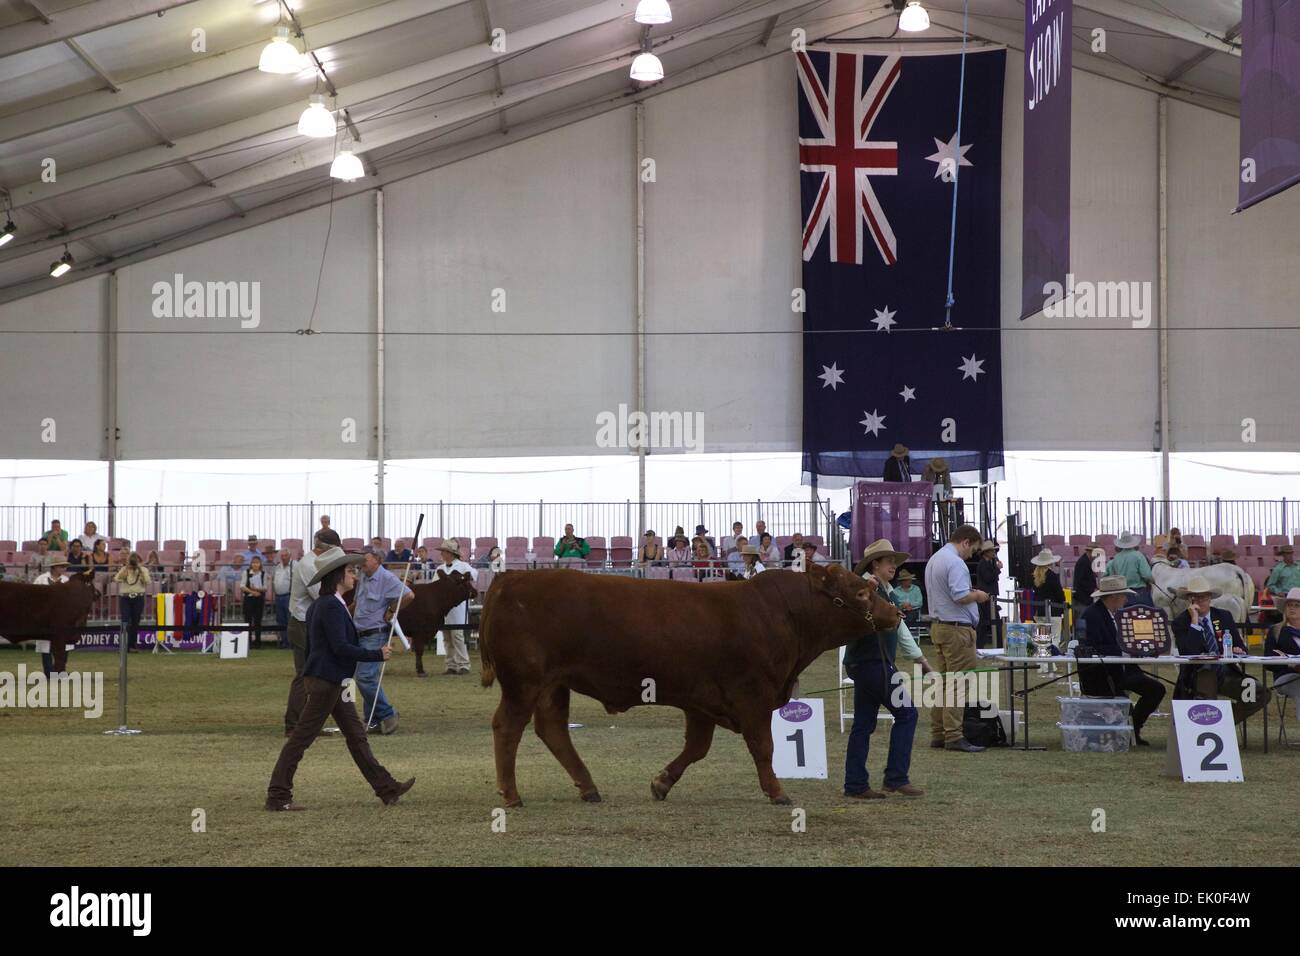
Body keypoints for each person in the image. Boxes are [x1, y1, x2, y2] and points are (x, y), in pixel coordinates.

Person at [265, 548, 415, 812]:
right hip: (328, 682)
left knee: (356, 735)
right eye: (349, 571)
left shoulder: (326, 605)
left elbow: (318, 649)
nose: (354, 576)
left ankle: (386, 788)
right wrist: (376, 654)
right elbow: (340, 647)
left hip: (334, 681)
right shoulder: (331, 606)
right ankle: (278, 795)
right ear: (337, 576)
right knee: (301, 739)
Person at [843, 538, 929, 799]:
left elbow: (900, 630)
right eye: (889, 561)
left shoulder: (887, 590)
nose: (894, 565)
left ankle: (855, 784)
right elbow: (852, 604)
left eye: (894, 561)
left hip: (869, 664)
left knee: (863, 724)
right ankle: (895, 777)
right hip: (872, 663)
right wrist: (865, 589)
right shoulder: (865, 588)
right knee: (907, 714)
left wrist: (921, 660)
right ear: (875, 564)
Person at [1077, 576, 1166, 746]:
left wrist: (1140, 650)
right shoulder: (1092, 615)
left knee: (1156, 689)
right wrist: (1126, 652)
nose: (1126, 599)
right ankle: (1131, 730)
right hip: (1104, 673)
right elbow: (1091, 647)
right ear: (1113, 597)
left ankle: (1134, 728)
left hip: (1123, 669)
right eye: (1124, 595)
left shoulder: (1117, 614)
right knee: (1141, 695)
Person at [923, 524, 989, 752]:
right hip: (957, 631)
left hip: (940, 627)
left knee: (942, 683)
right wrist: (979, 595)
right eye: (973, 549)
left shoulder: (935, 559)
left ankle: (939, 733)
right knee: (958, 683)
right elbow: (960, 595)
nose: (971, 555)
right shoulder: (955, 562)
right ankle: (954, 735)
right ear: (966, 542)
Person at [1172, 575, 1269, 724]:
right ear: (1189, 600)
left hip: (1227, 672)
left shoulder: (1223, 616)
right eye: (1195, 598)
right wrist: (1195, 622)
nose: (1200, 601)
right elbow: (1188, 652)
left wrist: (1238, 650)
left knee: (1261, 693)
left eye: (1203, 597)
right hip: (1196, 675)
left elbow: (1242, 647)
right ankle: (1211, 723)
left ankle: (1223, 722)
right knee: (1207, 677)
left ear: (1210, 598)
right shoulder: (1181, 622)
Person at [284, 529, 339, 736]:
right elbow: (320, 595)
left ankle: (305, 724)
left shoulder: (311, 563)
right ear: (325, 549)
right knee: (304, 675)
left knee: (312, 675)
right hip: (301, 624)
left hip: (306, 623)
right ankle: (294, 725)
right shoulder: (308, 565)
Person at [352, 549, 414, 727]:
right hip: (360, 633)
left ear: (377, 560)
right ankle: (372, 720)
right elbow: (357, 603)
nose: (362, 562)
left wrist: (392, 610)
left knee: (365, 677)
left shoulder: (387, 578)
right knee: (369, 678)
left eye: (366, 559)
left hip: (375, 634)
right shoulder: (363, 576)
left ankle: (388, 714)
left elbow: (409, 595)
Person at [432, 539, 476, 676]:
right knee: (446, 636)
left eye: (444, 551)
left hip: (458, 607)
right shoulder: (440, 569)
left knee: (457, 635)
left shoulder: (463, 566)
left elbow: (474, 575)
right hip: (443, 607)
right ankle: (450, 664)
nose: (442, 554)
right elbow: (434, 586)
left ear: (450, 553)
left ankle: (464, 664)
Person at [32, 555, 71, 676]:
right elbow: (33, 595)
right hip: (46, 616)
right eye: (61, 566)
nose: (64, 568)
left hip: (62, 616)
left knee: (64, 644)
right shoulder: (41, 579)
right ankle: (48, 672)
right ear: (54, 567)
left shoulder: (66, 580)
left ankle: (60, 670)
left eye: (64, 566)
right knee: (45, 644)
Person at [1265, 588, 1300, 715]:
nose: (1292, 608)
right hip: (1285, 677)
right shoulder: (1275, 631)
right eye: (1289, 605)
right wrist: (1290, 664)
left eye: (1297, 605)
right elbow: (1268, 662)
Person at [114, 553, 151, 652]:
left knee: (135, 622)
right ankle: (123, 646)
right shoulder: (124, 569)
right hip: (125, 598)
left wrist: (140, 571)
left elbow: (148, 581)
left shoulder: (143, 570)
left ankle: (132, 646)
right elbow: (116, 579)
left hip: (138, 597)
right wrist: (125, 571)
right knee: (125, 621)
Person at [1106, 532, 1153, 606]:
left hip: (1122, 593)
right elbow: (1147, 575)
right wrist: (1152, 580)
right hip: (1139, 593)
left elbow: (1113, 576)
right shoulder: (1138, 556)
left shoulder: (1116, 558)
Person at [1071, 543, 1104, 642]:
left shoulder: (1086, 561)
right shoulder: (1083, 562)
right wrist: (1092, 588)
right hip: (1082, 598)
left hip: (1085, 597)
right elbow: (1080, 581)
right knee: (1082, 622)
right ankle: (1080, 642)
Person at [1029, 548, 1066, 621]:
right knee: (1054, 632)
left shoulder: (1035, 577)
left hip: (1039, 612)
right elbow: (1059, 595)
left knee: (1041, 632)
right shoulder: (1052, 576)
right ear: (1050, 562)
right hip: (1053, 613)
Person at [975, 540, 1000, 648]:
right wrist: (997, 569)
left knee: (987, 622)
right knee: (988, 622)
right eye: (992, 551)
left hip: (990, 596)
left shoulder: (990, 563)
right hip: (986, 596)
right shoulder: (983, 564)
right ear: (986, 552)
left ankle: (981, 645)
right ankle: (982, 645)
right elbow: (988, 578)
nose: (994, 553)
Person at [242, 555, 268, 648]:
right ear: (251, 564)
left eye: (257, 563)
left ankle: (258, 642)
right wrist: (252, 591)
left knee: (258, 621)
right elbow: (242, 586)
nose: (255, 565)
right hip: (248, 599)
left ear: (260, 564)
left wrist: (257, 589)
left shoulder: (263, 574)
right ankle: (247, 643)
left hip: (259, 600)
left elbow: (265, 588)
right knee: (247, 620)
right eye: (253, 563)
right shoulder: (246, 572)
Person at [271, 549, 295, 649]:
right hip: (278, 597)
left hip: (289, 596)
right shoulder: (277, 567)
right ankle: (284, 642)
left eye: (285, 555)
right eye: (282, 556)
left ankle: (291, 642)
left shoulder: (295, 565)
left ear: (289, 556)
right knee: (281, 621)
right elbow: (273, 581)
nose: (283, 557)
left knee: (290, 620)